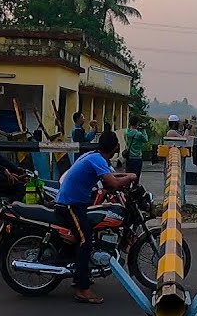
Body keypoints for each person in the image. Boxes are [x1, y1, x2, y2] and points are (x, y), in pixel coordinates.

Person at [56, 130, 137, 305]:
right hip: (71, 204)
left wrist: (125, 176)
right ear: (115, 148)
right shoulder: (97, 159)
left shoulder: (92, 156)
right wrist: (129, 177)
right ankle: (82, 289)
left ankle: (80, 273)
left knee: (88, 234)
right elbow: (112, 183)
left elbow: (109, 176)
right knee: (86, 241)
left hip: (75, 202)